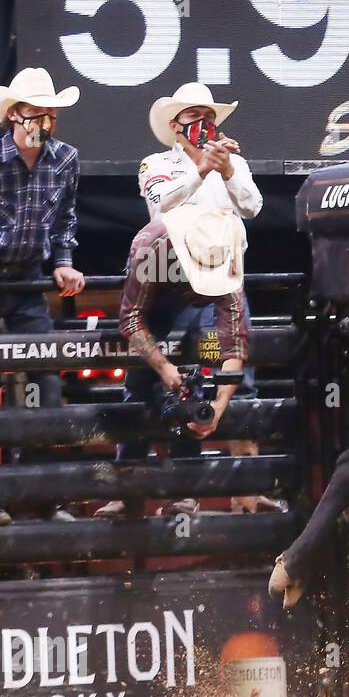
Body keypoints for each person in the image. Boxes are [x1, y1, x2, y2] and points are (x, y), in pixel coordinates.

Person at [95, 83, 262, 519]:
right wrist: (202, 169)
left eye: (208, 116)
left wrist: (226, 170)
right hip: (167, 274)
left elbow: (252, 207)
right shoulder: (157, 164)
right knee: (142, 383)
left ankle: (236, 490)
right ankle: (129, 489)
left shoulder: (234, 162)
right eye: (193, 117)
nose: (203, 124)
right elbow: (161, 202)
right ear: (176, 125)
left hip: (218, 272)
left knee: (221, 376)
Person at [0, 67, 87, 525]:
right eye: (35, 112)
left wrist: (63, 260)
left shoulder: (65, 159)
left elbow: (65, 217)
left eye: (49, 114)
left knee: (45, 382)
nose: (43, 122)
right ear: (14, 115)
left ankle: (41, 492)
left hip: (27, 281)